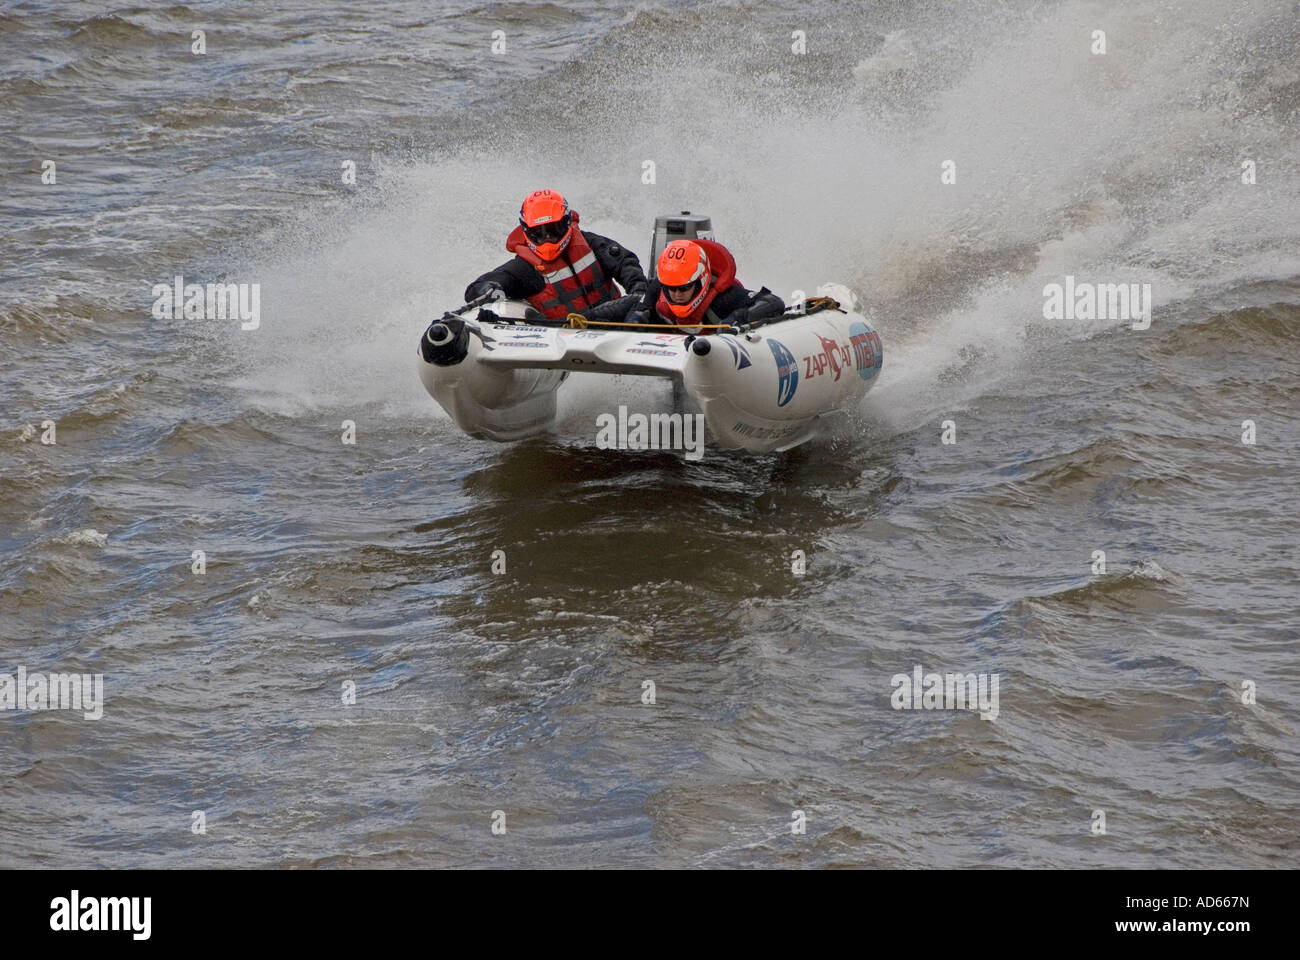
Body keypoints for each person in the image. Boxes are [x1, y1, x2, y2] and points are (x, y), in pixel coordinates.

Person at [464, 189, 646, 323]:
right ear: (526, 231)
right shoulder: (525, 268)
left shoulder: (589, 243)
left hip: (615, 323)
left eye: (553, 230)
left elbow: (625, 262)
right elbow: (480, 286)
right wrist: (488, 290)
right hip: (559, 339)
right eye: (539, 233)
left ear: (566, 223)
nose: (547, 239)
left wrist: (639, 292)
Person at [627, 239, 784, 334]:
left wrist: (738, 318)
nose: (676, 294)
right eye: (671, 288)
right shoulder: (657, 289)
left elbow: (774, 302)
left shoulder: (725, 298)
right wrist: (635, 319)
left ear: (701, 281)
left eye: (684, 288)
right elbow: (633, 308)